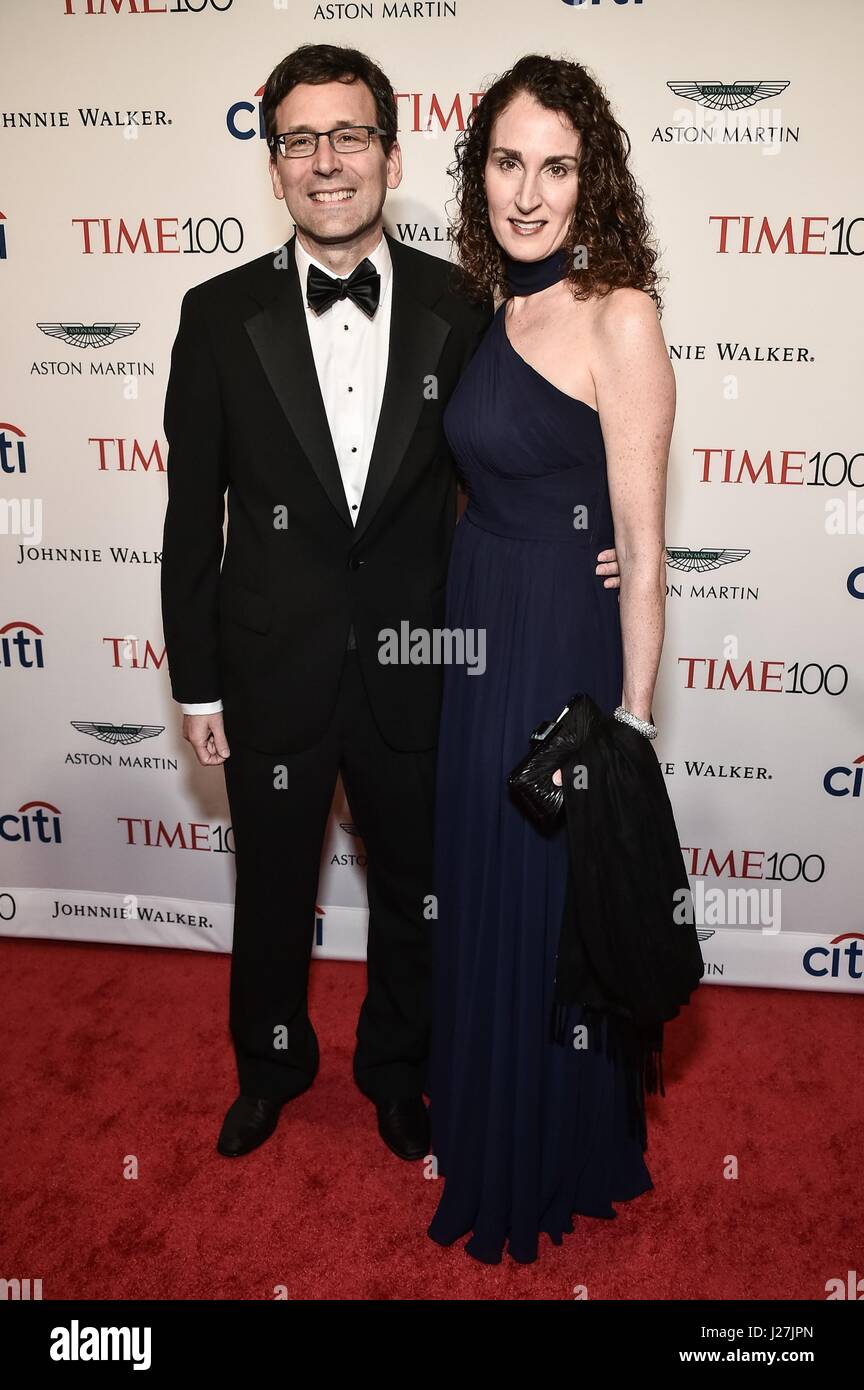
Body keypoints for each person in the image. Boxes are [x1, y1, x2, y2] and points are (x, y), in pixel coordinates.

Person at [160, 43, 621, 1165]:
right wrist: (197, 679)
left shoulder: (463, 309)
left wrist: (600, 544)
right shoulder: (216, 314)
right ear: (273, 166)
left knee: (417, 891)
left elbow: (532, 442)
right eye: (300, 140)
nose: (328, 163)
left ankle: (398, 1073)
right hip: (270, 664)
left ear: (391, 153)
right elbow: (191, 519)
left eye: (350, 135)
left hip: (424, 663)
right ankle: (270, 1066)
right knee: (271, 887)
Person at [426, 54, 675, 1264]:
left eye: (557, 166)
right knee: (483, 888)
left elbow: (642, 538)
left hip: (562, 655)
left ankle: (550, 1148)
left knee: (550, 903)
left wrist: (628, 725)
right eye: (508, 162)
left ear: (595, 178)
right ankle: (482, 1122)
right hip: (479, 637)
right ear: (480, 175)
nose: (529, 192)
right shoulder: (492, 310)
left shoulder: (621, 313)